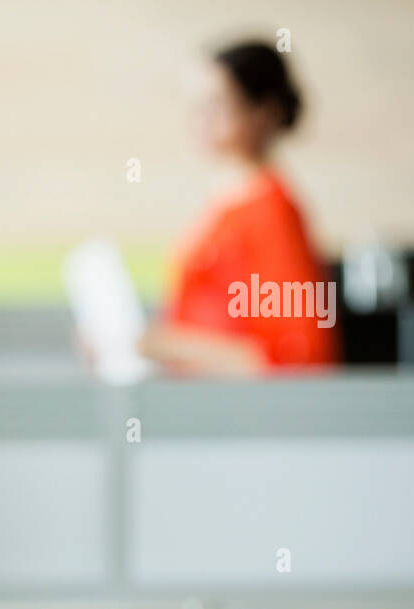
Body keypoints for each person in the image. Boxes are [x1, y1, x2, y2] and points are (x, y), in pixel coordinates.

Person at [140, 41, 340, 375]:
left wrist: (163, 344)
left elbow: (297, 360)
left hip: (245, 416)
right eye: (195, 105)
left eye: (216, 105)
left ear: (264, 113)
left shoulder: (270, 213)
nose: (200, 120)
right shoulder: (226, 202)